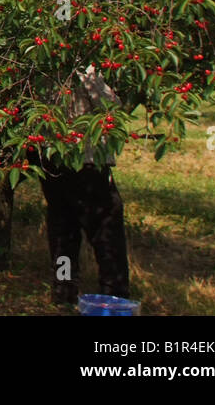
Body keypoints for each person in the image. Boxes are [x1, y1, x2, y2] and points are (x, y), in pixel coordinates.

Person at [35, 64, 131, 306]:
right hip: (86, 162)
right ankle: (114, 295)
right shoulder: (82, 66)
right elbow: (112, 108)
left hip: (52, 163)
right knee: (105, 230)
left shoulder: (36, 68)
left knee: (62, 230)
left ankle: (63, 292)